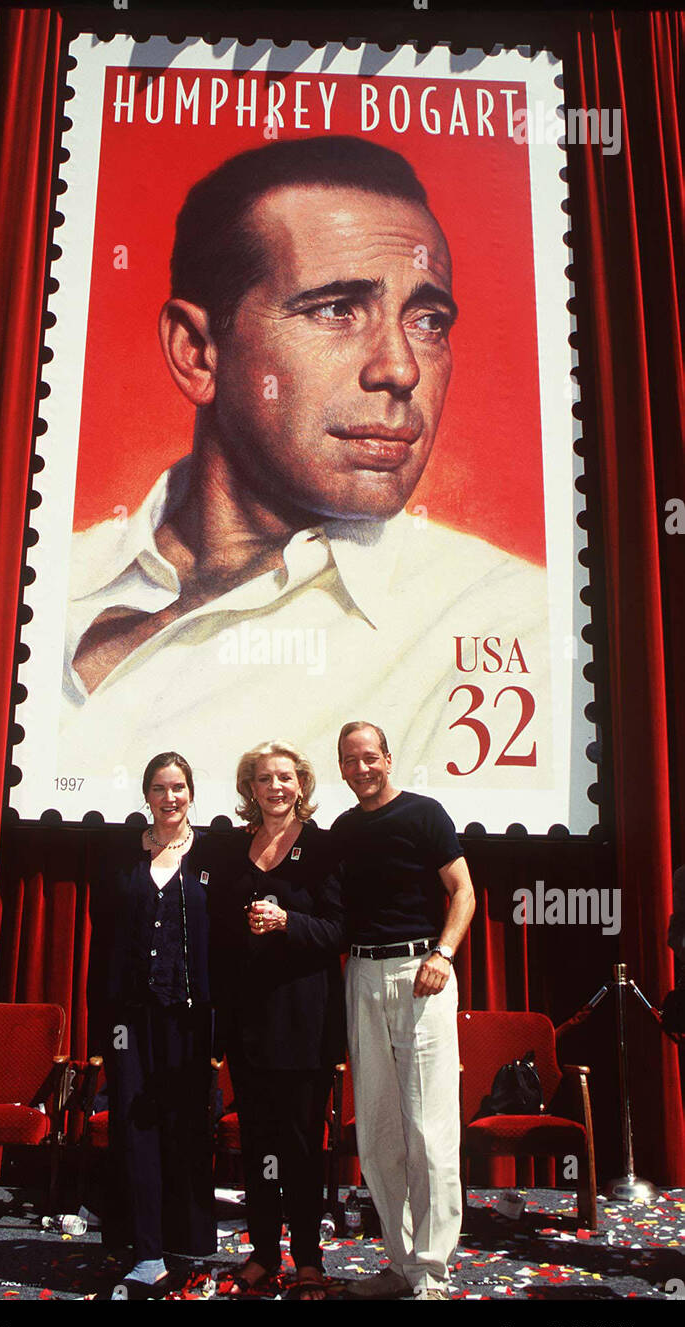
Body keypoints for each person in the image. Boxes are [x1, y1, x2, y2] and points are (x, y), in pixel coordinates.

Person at [61, 135, 548, 820]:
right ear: (198, 352)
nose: (402, 369)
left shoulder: (510, 626)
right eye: (336, 310)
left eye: (428, 319)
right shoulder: (45, 581)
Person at [330, 719, 474, 1299]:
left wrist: (443, 953)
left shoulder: (425, 814)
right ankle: (399, 1263)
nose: (360, 768)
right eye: (349, 760)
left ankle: (432, 1272)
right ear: (340, 767)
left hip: (422, 975)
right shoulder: (341, 829)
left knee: (430, 1130)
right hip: (361, 974)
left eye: (369, 758)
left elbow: (462, 890)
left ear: (388, 758)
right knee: (380, 1131)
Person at [206, 740, 345, 1300]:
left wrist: (289, 921)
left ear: (302, 785)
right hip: (249, 1025)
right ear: (250, 789)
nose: (276, 788)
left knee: (303, 1145)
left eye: (285, 778)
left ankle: (308, 1259)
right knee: (259, 1144)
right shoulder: (230, 851)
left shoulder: (324, 848)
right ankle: (264, 1253)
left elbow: (339, 930)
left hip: (305, 1022)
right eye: (264, 779)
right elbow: (216, 937)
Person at [87, 752, 216, 1298]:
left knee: (185, 1123)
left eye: (179, 787)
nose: (170, 798)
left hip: (190, 1020)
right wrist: (102, 1022)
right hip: (129, 1020)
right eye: (160, 788)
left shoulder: (215, 854)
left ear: (191, 793)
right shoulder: (118, 855)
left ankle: (185, 1244)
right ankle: (144, 1250)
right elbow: (102, 938)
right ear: (146, 795)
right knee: (135, 1128)